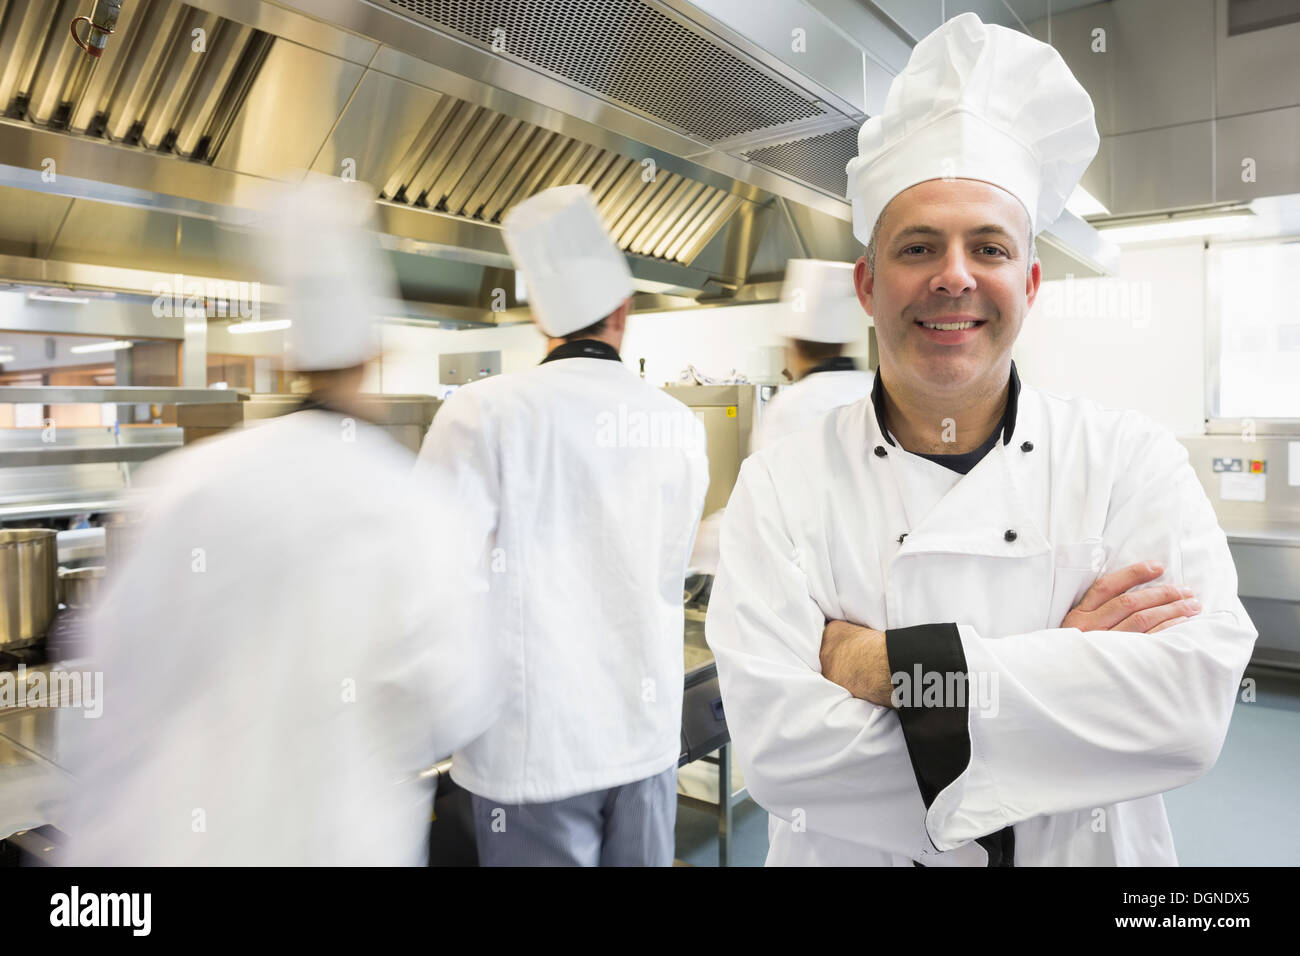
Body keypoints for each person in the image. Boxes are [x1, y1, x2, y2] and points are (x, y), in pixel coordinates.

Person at [705, 13, 1257, 867]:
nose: (954, 275)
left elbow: (1186, 714)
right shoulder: (779, 488)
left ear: (1029, 282)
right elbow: (784, 757)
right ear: (869, 283)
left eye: (988, 247)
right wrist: (1068, 673)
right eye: (918, 245)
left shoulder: (1128, 461)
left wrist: (888, 666)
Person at [64, 176, 499, 865]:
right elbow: (456, 703)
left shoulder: (184, 483)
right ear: (376, 354)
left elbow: (104, 683)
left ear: (288, 358)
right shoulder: (408, 505)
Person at [417, 184, 709, 867]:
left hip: (530, 756)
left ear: (540, 319)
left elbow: (431, 582)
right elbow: (676, 564)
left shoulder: (481, 412)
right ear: (624, 312)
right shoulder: (678, 423)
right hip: (644, 741)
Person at [750, 259, 871, 454]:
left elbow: (763, 480)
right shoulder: (879, 391)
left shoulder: (788, 408)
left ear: (794, 345)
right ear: (845, 344)